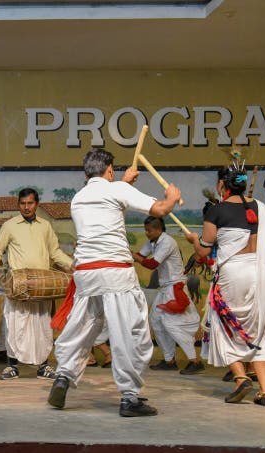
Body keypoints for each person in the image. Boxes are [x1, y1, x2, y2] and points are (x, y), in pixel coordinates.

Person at [47, 148, 182, 417]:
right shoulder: (117, 189)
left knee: (83, 325)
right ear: (109, 170)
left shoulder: (79, 198)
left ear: (87, 173)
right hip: (115, 271)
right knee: (130, 332)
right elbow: (161, 209)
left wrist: (123, 183)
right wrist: (172, 196)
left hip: (86, 272)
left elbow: (109, 200)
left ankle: (63, 376)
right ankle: (129, 397)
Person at [186, 167, 265, 406]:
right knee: (262, 328)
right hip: (262, 272)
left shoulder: (216, 210)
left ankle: (240, 377)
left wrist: (195, 241)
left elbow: (204, 251)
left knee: (223, 322)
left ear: (221, 185)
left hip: (233, 273)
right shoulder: (263, 208)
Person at [0, 188, 73, 381]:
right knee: (14, 326)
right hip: (18, 285)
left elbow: (55, 252)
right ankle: (12, 367)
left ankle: (43, 367)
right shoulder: (9, 225)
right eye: (23, 204)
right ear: (18, 205)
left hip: (42, 286)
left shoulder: (46, 226)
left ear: (37, 204)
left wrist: (72, 266)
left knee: (42, 327)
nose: (26, 207)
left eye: (30, 203)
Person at [133, 217, 203, 374]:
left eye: (148, 230)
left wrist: (135, 257)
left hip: (175, 288)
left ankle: (195, 361)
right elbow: (140, 255)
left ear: (158, 230)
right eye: (145, 230)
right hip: (165, 288)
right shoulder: (153, 242)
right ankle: (169, 360)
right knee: (155, 320)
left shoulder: (167, 242)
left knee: (173, 325)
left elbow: (152, 264)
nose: (146, 233)